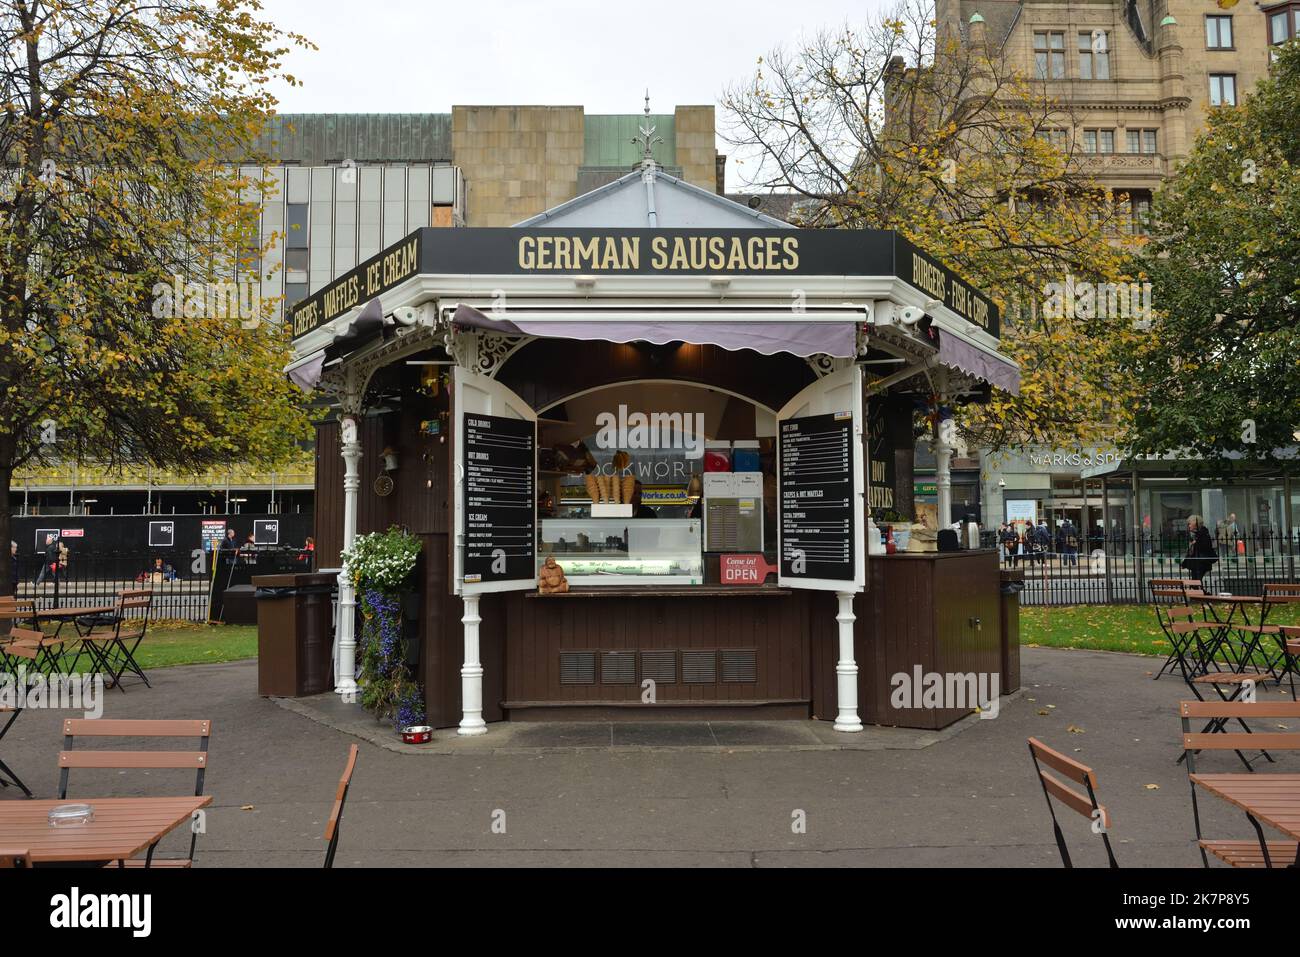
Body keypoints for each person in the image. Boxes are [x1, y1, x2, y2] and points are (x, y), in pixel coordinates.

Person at [1180, 514, 1218, 585]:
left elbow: (1205, 547)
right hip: (1195, 564)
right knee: (1195, 583)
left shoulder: (1203, 533)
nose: (1189, 526)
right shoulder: (1194, 534)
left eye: (1190, 524)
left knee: (1196, 583)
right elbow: (1191, 553)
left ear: (1195, 524)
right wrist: (1184, 563)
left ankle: (1200, 594)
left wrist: (1195, 543)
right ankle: (1199, 594)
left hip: (1201, 563)